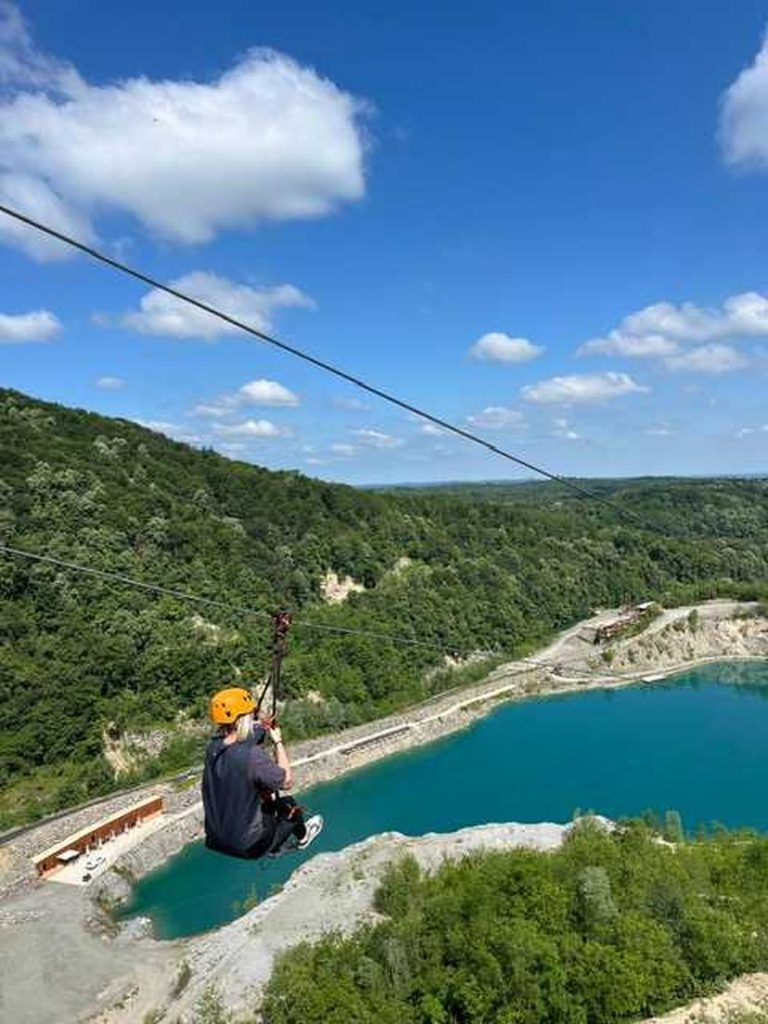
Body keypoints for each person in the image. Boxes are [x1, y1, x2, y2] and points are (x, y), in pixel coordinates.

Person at [202, 687, 323, 859]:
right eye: (250, 714)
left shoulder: (213, 748)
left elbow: (239, 739)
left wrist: (262, 727)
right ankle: (303, 838)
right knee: (288, 805)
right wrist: (278, 741)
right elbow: (286, 782)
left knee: (264, 800)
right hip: (250, 846)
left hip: (216, 840)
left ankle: (274, 841)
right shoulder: (252, 755)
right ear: (244, 717)